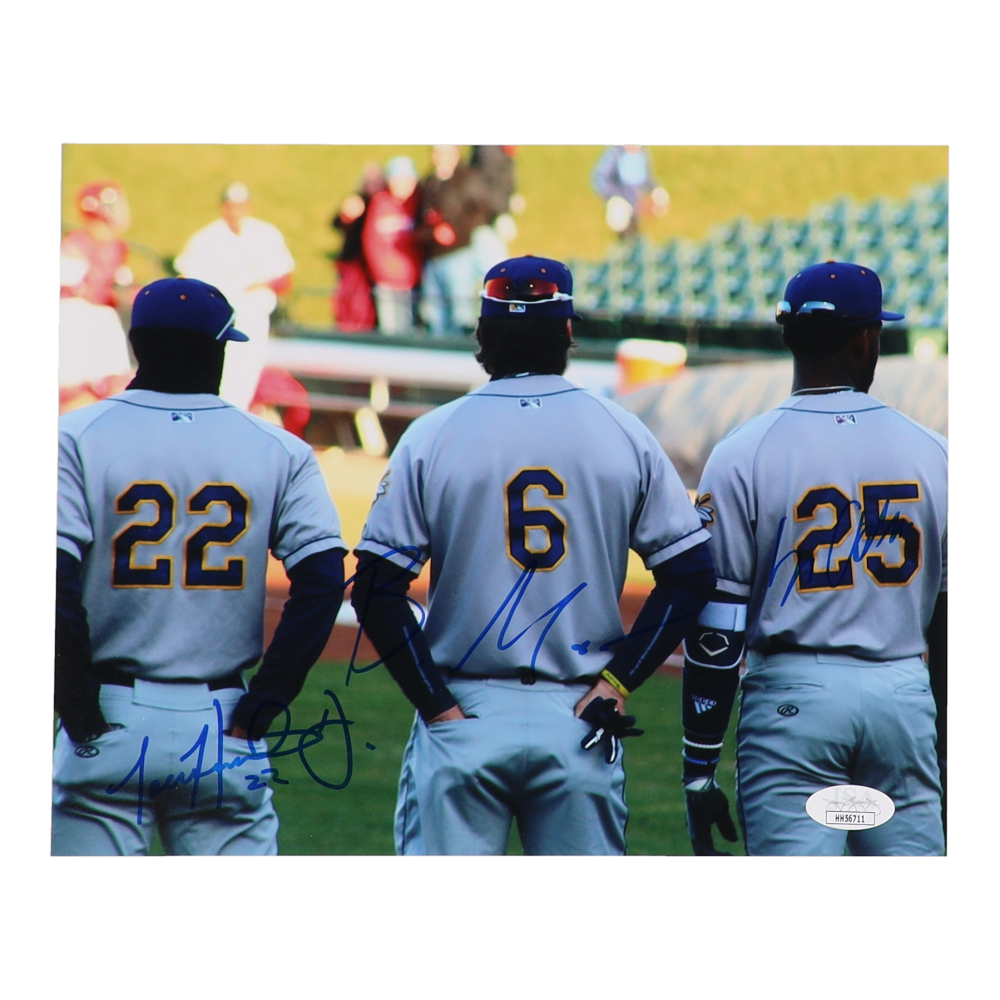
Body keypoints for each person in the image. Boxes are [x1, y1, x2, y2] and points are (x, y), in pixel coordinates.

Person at [351, 255, 716, 855]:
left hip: (465, 711)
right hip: (579, 717)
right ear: (567, 330)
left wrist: (438, 710)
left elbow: (373, 589)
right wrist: (617, 683)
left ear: (482, 333)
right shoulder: (622, 431)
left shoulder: (434, 434)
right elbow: (690, 575)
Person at [53, 277, 346, 855]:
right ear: (219, 349)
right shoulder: (278, 447)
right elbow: (322, 581)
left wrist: (77, 707)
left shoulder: (73, 436)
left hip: (110, 711)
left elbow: (49, 583)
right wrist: (267, 700)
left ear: (137, 342)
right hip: (223, 721)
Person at [680, 261, 946, 856]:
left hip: (794, 698)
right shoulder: (935, 453)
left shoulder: (743, 451)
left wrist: (699, 764)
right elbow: (952, 619)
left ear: (788, 335)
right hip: (902, 694)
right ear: (866, 339)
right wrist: (947, 746)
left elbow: (717, 623)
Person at [174, 182, 295, 409]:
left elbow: (284, 279)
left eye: (239, 206)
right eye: (230, 205)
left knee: (245, 376)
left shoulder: (265, 234)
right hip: (216, 321)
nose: (234, 212)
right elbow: (185, 281)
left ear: (248, 206)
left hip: (254, 319)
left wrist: (262, 284)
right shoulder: (206, 239)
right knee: (218, 378)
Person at [59, 180, 135, 410]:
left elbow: (120, 288)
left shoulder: (116, 248)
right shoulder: (75, 247)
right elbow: (75, 288)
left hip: (103, 321)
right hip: (77, 320)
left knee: (114, 390)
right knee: (77, 396)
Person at [415, 144, 493, 335]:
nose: (441, 158)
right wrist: (433, 233)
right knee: (434, 315)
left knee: (460, 312)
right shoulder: (429, 182)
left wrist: (456, 233)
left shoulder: (467, 179)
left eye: (446, 153)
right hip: (433, 257)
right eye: (438, 153)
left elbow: (480, 212)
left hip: (458, 255)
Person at [361, 156, 422, 335]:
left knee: (410, 327)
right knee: (389, 329)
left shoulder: (418, 203)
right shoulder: (380, 203)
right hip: (385, 280)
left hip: (412, 280)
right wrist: (381, 272)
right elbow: (370, 241)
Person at [330, 163, 385, 332]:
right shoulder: (358, 200)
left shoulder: (384, 202)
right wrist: (345, 215)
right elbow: (336, 223)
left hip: (375, 264)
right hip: (355, 262)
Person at [590, 145, 669, 241]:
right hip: (620, 208)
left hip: (635, 208)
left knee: (635, 237)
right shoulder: (615, 154)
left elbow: (645, 178)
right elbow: (600, 179)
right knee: (624, 235)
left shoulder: (642, 154)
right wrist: (615, 197)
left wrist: (655, 189)